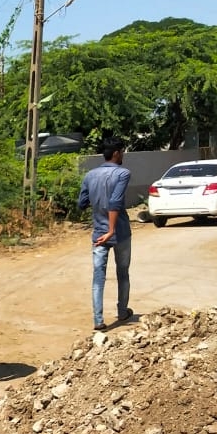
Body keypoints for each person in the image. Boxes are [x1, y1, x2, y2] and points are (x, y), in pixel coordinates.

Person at [78, 136, 133, 331]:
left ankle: (98, 320)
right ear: (117, 153)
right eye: (122, 152)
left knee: (98, 277)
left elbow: (81, 203)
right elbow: (115, 202)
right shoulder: (123, 174)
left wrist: (96, 205)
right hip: (119, 232)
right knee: (123, 273)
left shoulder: (90, 175)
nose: (123, 155)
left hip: (98, 235)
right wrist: (111, 230)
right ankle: (122, 311)